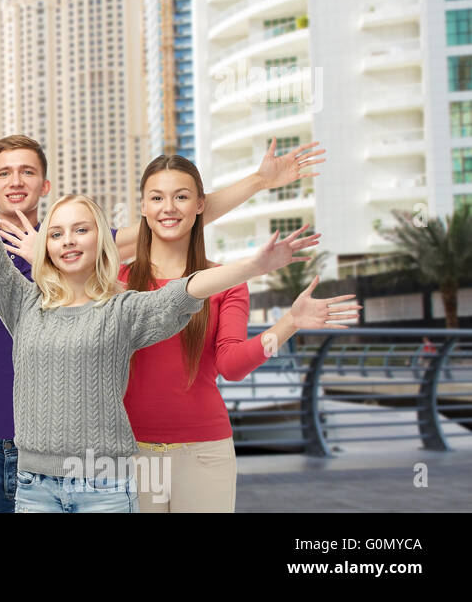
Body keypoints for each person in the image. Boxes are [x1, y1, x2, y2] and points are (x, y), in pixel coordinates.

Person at [0, 85, 329, 513]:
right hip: (36, 483)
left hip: (107, 485)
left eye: (81, 230)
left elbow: (184, 287)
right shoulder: (25, 304)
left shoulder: (121, 308)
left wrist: (251, 265)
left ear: (104, 241)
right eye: (57, 234)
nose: (67, 241)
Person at [122, 154, 361, 512]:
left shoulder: (229, 280)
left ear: (201, 204)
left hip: (204, 451)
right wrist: (259, 180)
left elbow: (231, 366)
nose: (168, 207)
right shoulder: (117, 281)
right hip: (129, 452)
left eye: (182, 196)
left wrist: (289, 323)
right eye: (157, 197)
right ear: (142, 206)